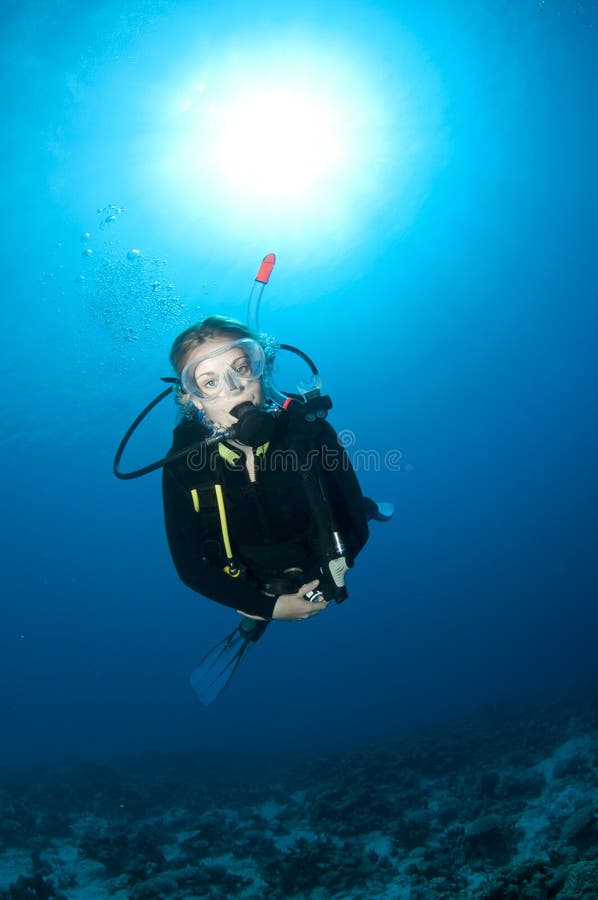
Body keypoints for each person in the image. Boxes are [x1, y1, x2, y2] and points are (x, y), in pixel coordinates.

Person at [159, 316, 392, 701]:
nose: (234, 390)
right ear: (191, 398)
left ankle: (374, 507)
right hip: (251, 576)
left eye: (241, 368)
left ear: (261, 367)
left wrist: (330, 572)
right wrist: (267, 606)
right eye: (210, 382)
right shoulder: (183, 466)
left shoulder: (309, 431)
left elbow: (352, 523)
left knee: (360, 509)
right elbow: (189, 567)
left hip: (316, 548)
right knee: (255, 618)